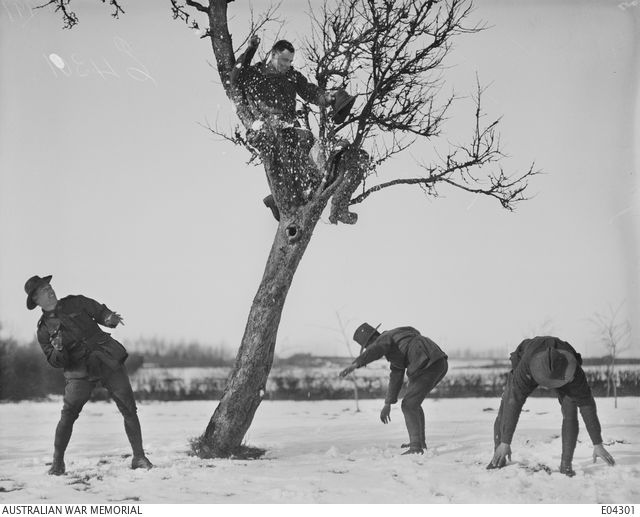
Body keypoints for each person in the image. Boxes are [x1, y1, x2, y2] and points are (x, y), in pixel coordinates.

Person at [24, 274, 153, 475]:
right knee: (68, 414)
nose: (50, 290)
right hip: (79, 371)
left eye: (49, 286)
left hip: (106, 358)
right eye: (43, 290)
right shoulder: (43, 330)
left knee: (129, 408)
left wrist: (109, 318)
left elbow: (99, 311)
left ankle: (139, 457)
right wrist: (58, 350)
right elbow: (54, 361)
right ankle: (58, 463)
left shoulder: (75, 302)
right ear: (36, 299)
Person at [231, 36, 338, 214]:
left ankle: (319, 182)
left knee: (308, 145)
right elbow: (235, 77)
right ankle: (278, 201)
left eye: (290, 61)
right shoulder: (257, 74)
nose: (287, 64)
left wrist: (326, 98)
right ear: (273, 55)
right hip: (267, 127)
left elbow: (308, 90)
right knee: (281, 161)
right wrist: (250, 50)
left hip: (289, 125)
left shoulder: (291, 76)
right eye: (284, 60)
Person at [487, 336, 616, 476]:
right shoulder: (526, 365)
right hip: (528, 359)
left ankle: (566, 465)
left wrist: (597, 443)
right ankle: (498, 457)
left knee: (570, 410)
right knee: (506, 403)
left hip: (562, 371)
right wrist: (505, 442)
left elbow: (586, 404)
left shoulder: (573, 370)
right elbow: (514, 402)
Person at [339, 323, 448, 455]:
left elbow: (377, 348)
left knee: (409, 405)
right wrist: (388, 403)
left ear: (373, 339)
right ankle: (419, 443)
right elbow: (396, 376)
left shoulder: (386, 337)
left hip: (427, 363)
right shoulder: (397, 343)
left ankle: (416, 447)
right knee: (413, 404)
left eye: (368, 346)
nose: (369, 348)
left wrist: (357, 364)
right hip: (438, 362)